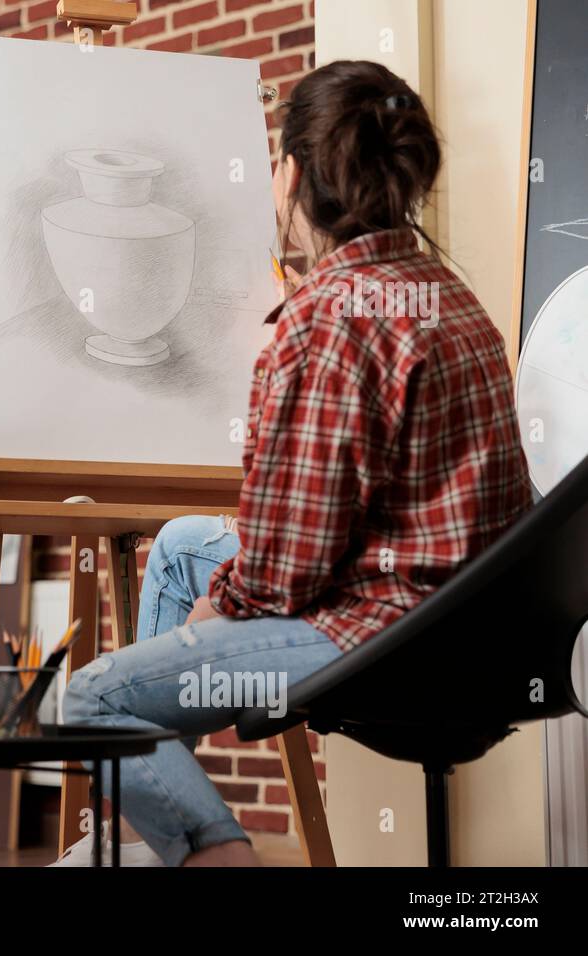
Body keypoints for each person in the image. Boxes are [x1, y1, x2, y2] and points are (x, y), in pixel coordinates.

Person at [55, 60, 533, 867]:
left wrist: (220, 610)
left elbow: (286, 569)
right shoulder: (450, 294)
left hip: (391, 632)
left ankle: (215, 854)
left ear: (293, 175)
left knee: (92, 699)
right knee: (178, 546)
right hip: (483, 626)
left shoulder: (329, 316)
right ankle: (164, 821)